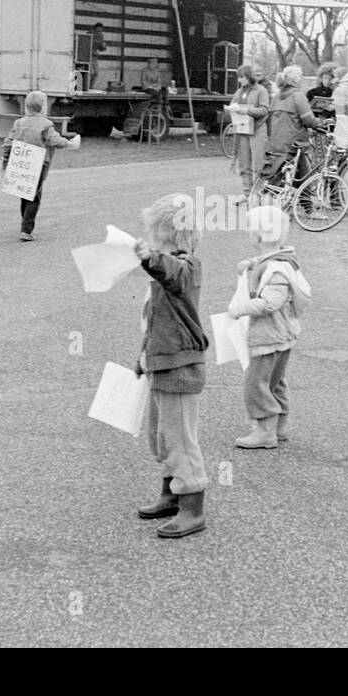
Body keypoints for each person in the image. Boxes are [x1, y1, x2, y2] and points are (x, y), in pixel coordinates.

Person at [132, 193, 209, 539]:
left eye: (155, 236)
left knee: (179, 438)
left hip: (181, 368)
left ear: (171, 237)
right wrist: (143, 357)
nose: (150, 241)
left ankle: (192, 505)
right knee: (161, 436)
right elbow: (154, 322)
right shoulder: (163, 272)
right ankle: (171, 493)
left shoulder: (186, 268)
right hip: (161, 364)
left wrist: (153, 258)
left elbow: (172, 272)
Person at [229, 205, 313, 448]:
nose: (248, 234)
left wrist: (241, 308)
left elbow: (270, 302)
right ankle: (279, 426)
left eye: (250, 230)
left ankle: (265, 430)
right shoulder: (283, 258)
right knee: (275, 381)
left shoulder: (277, 270)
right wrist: (250, 263)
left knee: (257, 383)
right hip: (282, 335)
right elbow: (267, 259)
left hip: (269, 336)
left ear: (259, 235)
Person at [0, 91, 77, 241]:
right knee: (34, 197)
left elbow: (9, 142)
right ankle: (26, 230)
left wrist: (5, 158)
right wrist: (69, 143)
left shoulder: (19, 123)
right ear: (43, 108)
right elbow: (55, 141)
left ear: (27, 107)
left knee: (25, 194)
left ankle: (25, 222)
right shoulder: (46, 125)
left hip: (21, 164)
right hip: (38, 164)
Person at [261, 64, 321, 182]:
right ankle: (305, 198)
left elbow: (268, 121)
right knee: (304, 176)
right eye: (301, 77)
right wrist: (321, 123)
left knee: (281, 178)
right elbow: (309, 121)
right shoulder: (298, 96)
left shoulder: (276, 98)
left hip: (276, 145)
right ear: (296, 80)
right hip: (293, 145)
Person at [227, 64, 270, 197]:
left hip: (257, 129)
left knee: (258, 164)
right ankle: (247, 194)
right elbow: (233, 105)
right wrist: (231, 109)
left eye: (242, 77)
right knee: (244, 164)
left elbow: (264, 110)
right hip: (243, 130)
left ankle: (258, 193)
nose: (240, 80)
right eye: (239, 78)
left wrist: (246, 110)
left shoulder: (261, 91)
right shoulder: (239, 92)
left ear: (249, 77)